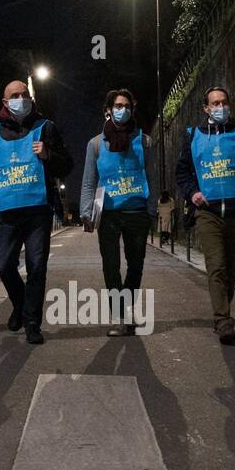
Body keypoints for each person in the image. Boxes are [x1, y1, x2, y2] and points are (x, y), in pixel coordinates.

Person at [0, 79, 73, 345]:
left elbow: (67, 165)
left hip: (37, 212)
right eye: (15, 95)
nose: (21, 98)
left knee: (37, 266)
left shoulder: (46, 128)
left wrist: (48, 155)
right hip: (7, 213)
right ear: (5, 102)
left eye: (25, 94)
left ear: (31, 99)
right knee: (4, 264)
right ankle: (19, 304)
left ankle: (32, 322)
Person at [175, 86, 235, 345]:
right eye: (214, 104)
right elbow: (182, 172)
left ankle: (222, 311)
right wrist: (192, 193)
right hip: (209, 213)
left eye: (223, 102)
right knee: (215, 266)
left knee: (229, 268)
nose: (220, 107)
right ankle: (223, 320)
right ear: (206, 108)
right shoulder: (193, 137)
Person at [78, 88, 158, 336]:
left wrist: (152, 207)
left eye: (126, 105)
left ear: (132, 110)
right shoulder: (95, 144)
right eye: (117, 105)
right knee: (111, 266)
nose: (122, 110)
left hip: (137, 213)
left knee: (136, 266)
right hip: (109, 215)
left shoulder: (144, 141)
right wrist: (86, 211)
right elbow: (89, 181)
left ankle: (125, 307)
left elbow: (152, 176)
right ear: (108, 110)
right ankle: (119, 316)